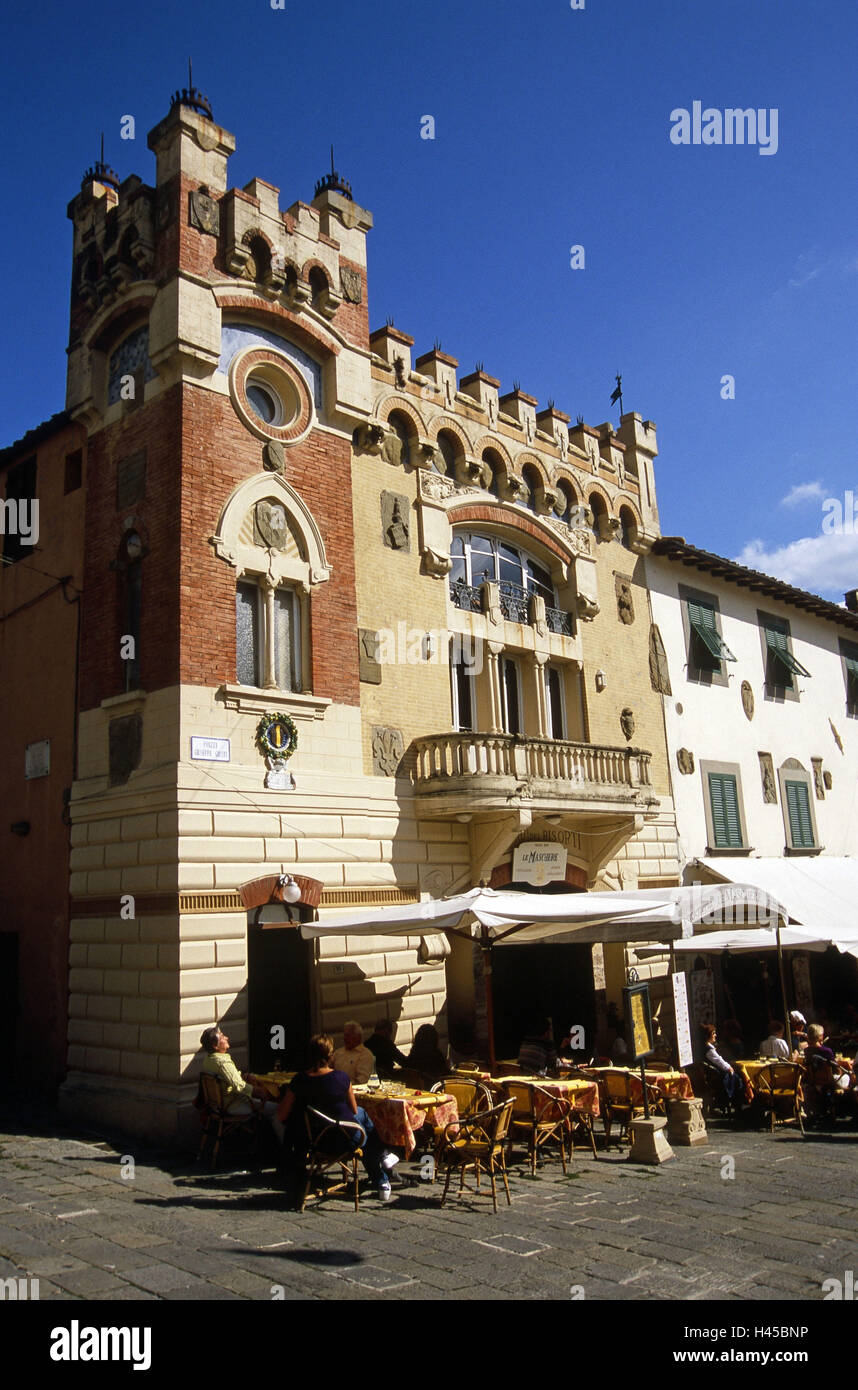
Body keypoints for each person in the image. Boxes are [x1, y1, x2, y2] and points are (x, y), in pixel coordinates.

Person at [277, 1034, 397, 1201]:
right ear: (330, 1056)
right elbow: (353, 1110)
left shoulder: (298, 1081)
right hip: (345, 1140)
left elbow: (281, 1115)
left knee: (361, 1116)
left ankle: (382, 1168)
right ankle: (382, 1172)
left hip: (314, 1142)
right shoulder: (341, 1078)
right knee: (361, 1114)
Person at [200, 1025, 283, 1141]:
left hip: (216, 1106)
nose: (227, 1038)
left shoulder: (208, 1060)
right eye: (223, 1037)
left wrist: (243, 1076)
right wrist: (259, 1092)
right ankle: (284, 1145)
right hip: (233, 1106)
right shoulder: (223, 1063)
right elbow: (239, 1086)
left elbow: (229, 1079)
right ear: (215, 1046)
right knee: (278, 1109)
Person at [700, 1023, 740, 1104]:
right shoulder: (709, 1049)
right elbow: (718, 1061)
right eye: (713, 1033)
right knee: (737, 1078)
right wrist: (729, 1068)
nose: (715, 1035)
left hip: (719, 1071)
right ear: (708, 1035)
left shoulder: (710, 1047)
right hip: (718, 1074)